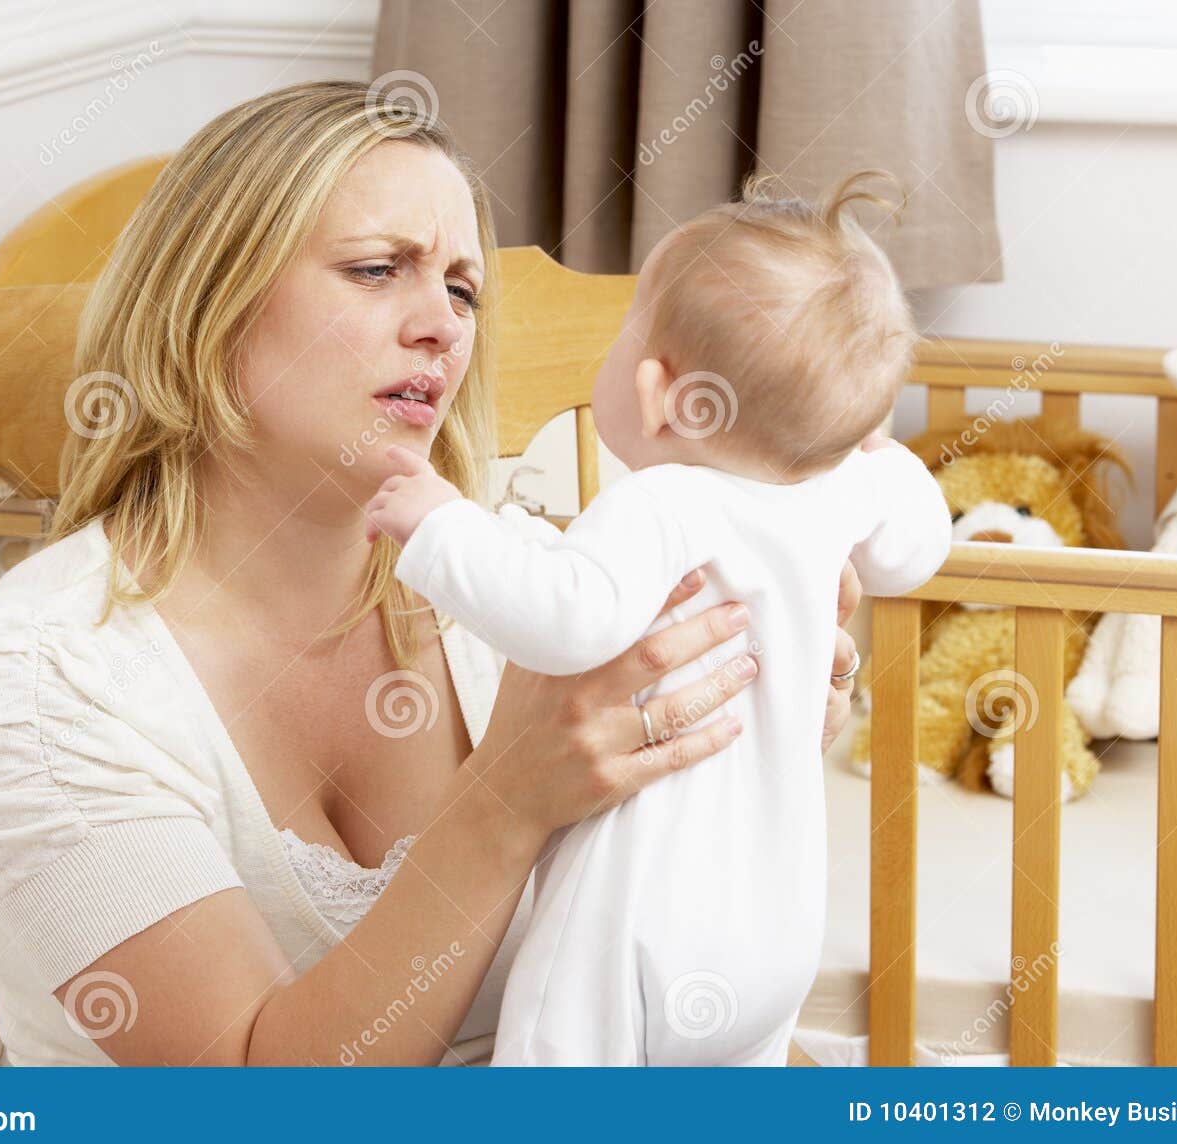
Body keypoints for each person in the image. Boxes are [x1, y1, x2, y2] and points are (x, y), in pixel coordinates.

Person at [0, 80, 863, 1067]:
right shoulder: (35, 683)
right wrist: (504, 798)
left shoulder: (518, 588)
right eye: (376, 269)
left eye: (461, 289)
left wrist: (742, 731)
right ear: (207, 303)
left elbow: (663, 938)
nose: (443, 327)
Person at [365, 173, 951, 1064]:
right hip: (777, 927)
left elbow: (566, 617)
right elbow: (916, 548)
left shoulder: (664, 504)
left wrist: (440, 523)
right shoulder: (842, 491)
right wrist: (876, 449)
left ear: (658, 393)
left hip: (643, 915)